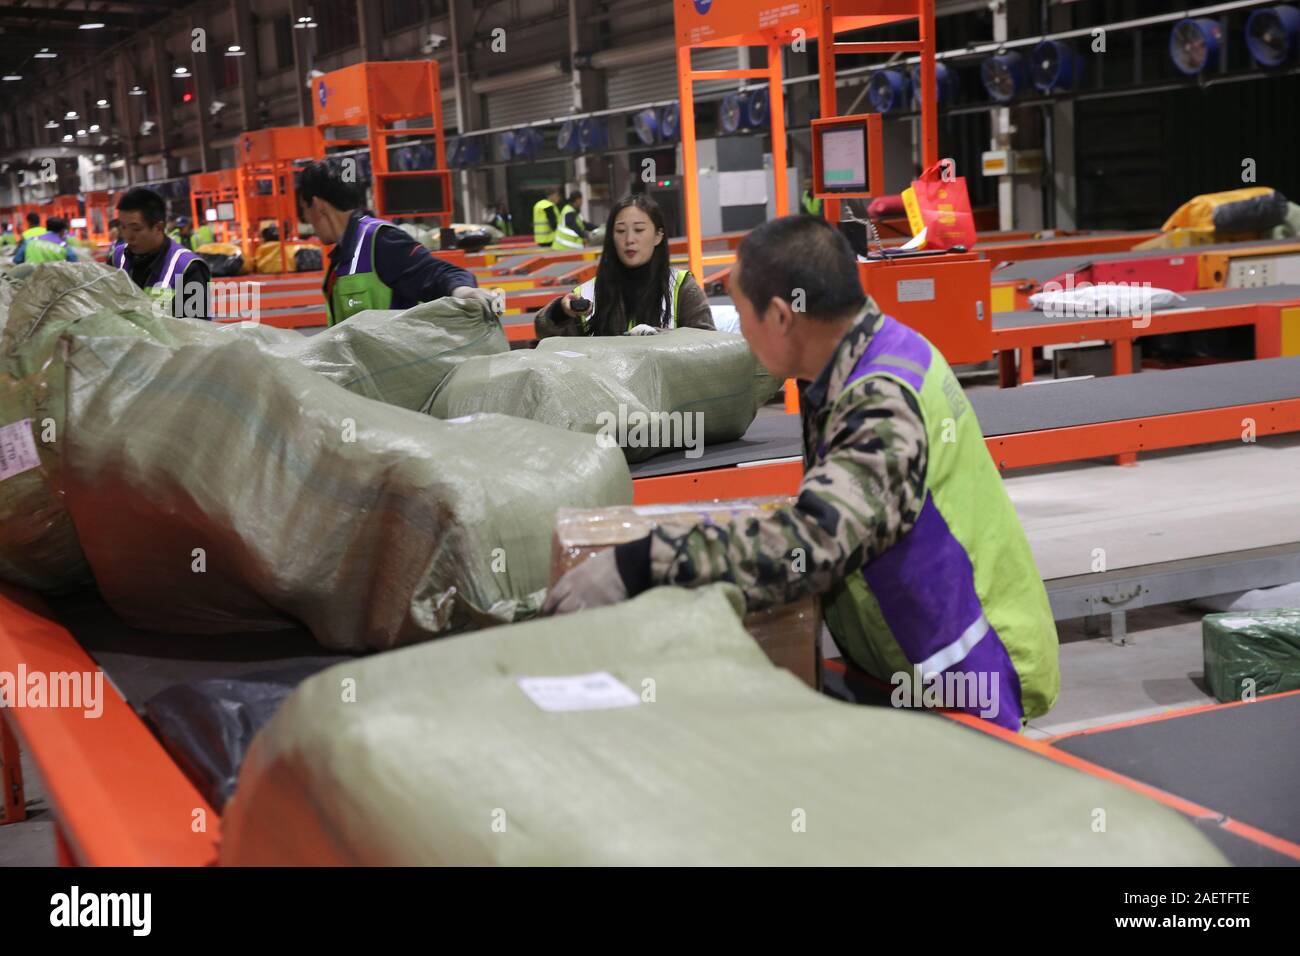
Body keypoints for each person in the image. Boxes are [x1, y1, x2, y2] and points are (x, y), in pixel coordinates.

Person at [543, 215, 1060, 731]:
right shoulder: (858, 354)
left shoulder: (882, 400)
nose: (741, 337)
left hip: (963, 677)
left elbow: (816, 541)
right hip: (908, 660)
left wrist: (641, 562)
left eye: (743, 319)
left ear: (782, 317)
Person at [295, 160, 494, 326]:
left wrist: (462, 290)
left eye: (305, 210)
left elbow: (435, 273)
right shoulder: (341, 258)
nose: (306, 219)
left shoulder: (380, 241)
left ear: (319, 205)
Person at [534, 194, 714, 338]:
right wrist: (560, 311)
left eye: (639, 230)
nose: (629, 240)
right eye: (620, 231)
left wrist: (659, 337)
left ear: (658, 236)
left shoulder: (682, 288)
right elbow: (545, 337)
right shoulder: (588, 294)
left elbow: (708, 346)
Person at [112, 187, 211, 320]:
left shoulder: (187, 267)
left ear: (158, 227)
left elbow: (197, 332)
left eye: (136, 229)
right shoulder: (117, 258)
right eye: (123, 227)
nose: (128, 236)